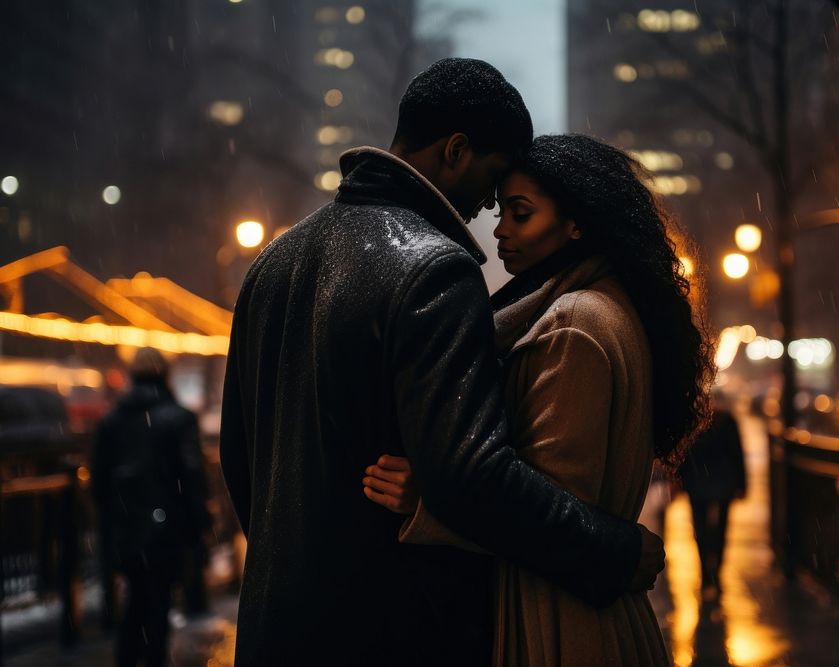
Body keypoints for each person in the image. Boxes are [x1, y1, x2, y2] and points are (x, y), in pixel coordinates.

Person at [218, 59, 665, 665]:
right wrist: (614, 552)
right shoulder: (435, 268)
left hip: (275, 630)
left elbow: (240, 458)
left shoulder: (272, 262)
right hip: (392, 633)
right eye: (492, 181)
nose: (488, 209)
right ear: (456, 150)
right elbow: (473, 479)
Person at [364, 134, 714, 666]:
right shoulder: (601, 305)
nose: (501, 229)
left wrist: (430, 499)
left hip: (557, 621)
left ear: (576, 222)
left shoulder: (574, 323)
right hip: (579, 609)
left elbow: (551, 516)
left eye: (521, 213)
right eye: (503, 211)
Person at [91, 348, 211, 667]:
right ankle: (154, 657)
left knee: (136, 597)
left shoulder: (111, 421)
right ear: (165, 375)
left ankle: (128, 657)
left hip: (127, 528)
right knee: (159, 599)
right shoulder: (179, 419)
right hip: (166, 527)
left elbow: (99, 482)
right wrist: (200, 524)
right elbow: (192, 475)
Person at [679, 393, 746, 603]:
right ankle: (716, 572)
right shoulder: (727, 421)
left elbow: (686, 453)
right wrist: (741, 484)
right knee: (720, 529)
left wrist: (682, 480)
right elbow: (737, 454)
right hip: (722, 481)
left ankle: (707, 575)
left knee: (701, 529)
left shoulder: (695, 420)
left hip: (698, 482)